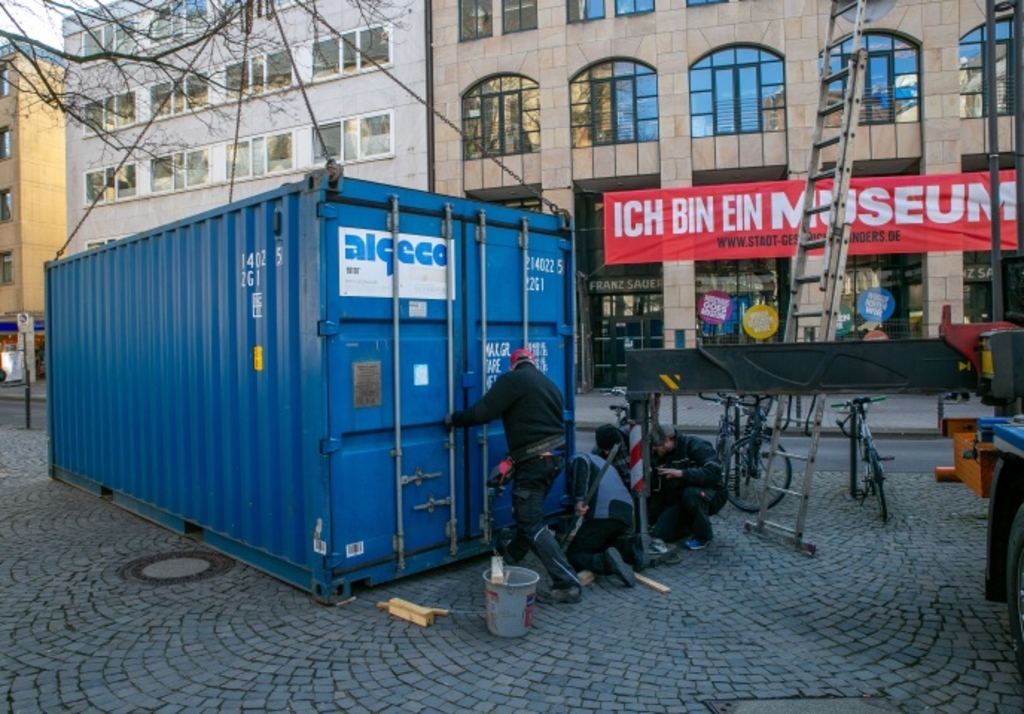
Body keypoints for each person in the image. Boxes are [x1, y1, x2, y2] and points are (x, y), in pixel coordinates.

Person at [445, 347, 582, 604]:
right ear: (531, 361)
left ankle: (568, 582)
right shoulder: (547, 383)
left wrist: (454, 419)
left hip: (534, 462)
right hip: (552, 460)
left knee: (531, 521)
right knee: (527, 514)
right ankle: (511, 558)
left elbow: (482, 412)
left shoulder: (513, 380)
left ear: (513, 365)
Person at [564, 451, 637, 587]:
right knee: (601, 547)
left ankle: (605, 563)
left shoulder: (580, 457)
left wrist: (580, 499)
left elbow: (581, 469)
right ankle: (632, 553)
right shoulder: (605, 463)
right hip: (626, 512)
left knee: (573, 555)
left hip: (605, 512)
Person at [647, 424, 726, 551]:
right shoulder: (658, 456)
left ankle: (703, 536)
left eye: (657, 445)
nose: (655, 449)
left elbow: (714, 472)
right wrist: (650, 519)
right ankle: (686, 526)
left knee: (691, 494)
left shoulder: (696, 445)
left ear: (669, 439)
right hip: (678, 496)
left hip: (711, 493)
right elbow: (657, 490)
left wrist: (682, 474)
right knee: (660, 534)